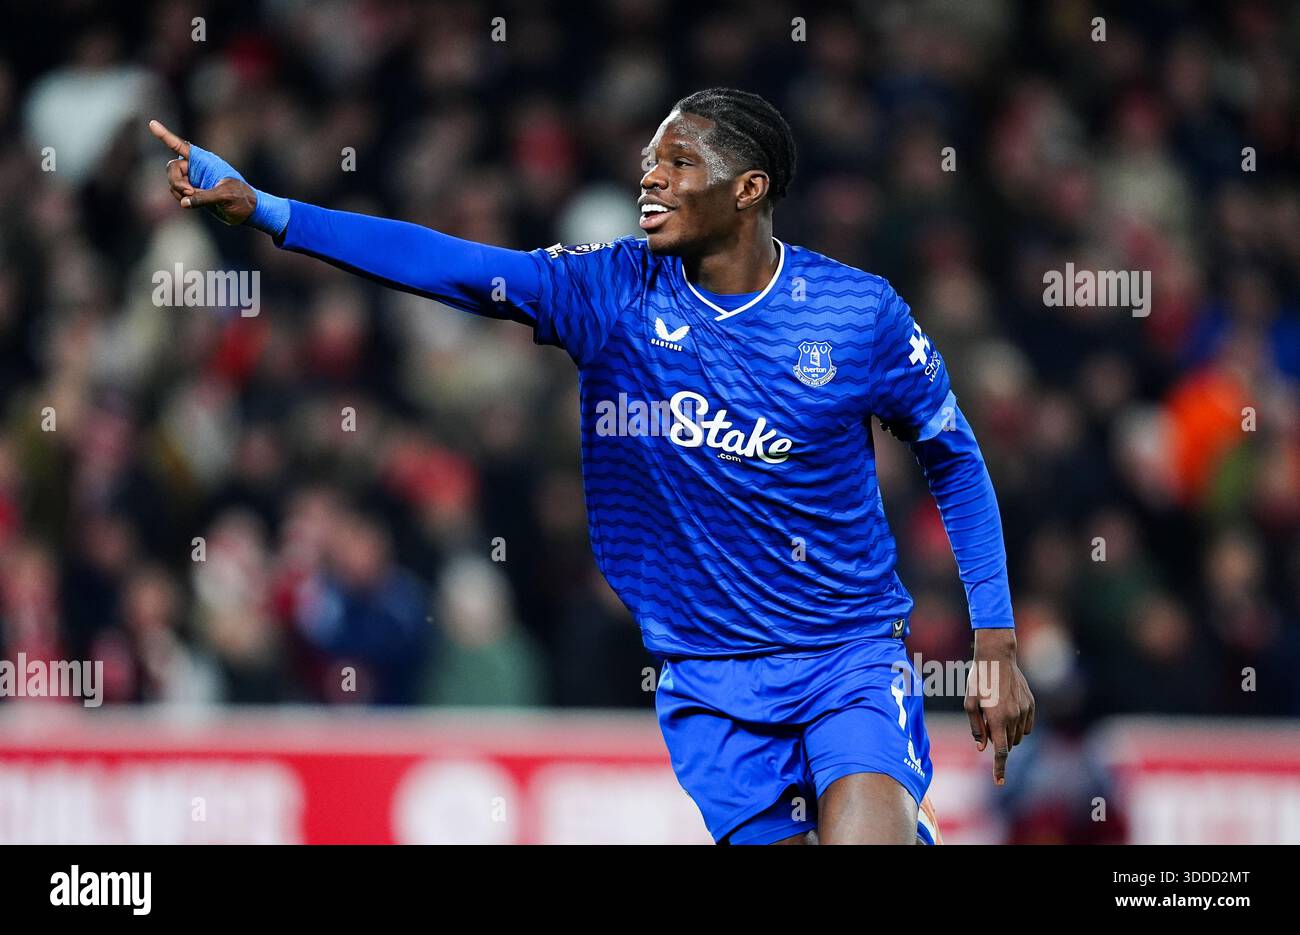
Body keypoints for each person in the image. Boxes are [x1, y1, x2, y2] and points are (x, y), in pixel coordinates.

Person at [148, 86, 1033, 844]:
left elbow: (952, 456)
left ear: (748, 188)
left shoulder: (855, 313)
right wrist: (271, 210)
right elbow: (450, 265)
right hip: (708, 674)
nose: (650, 176)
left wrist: (993, 643)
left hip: (844, 650)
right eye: (649, 158)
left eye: (679, 162)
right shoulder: (607, 291)